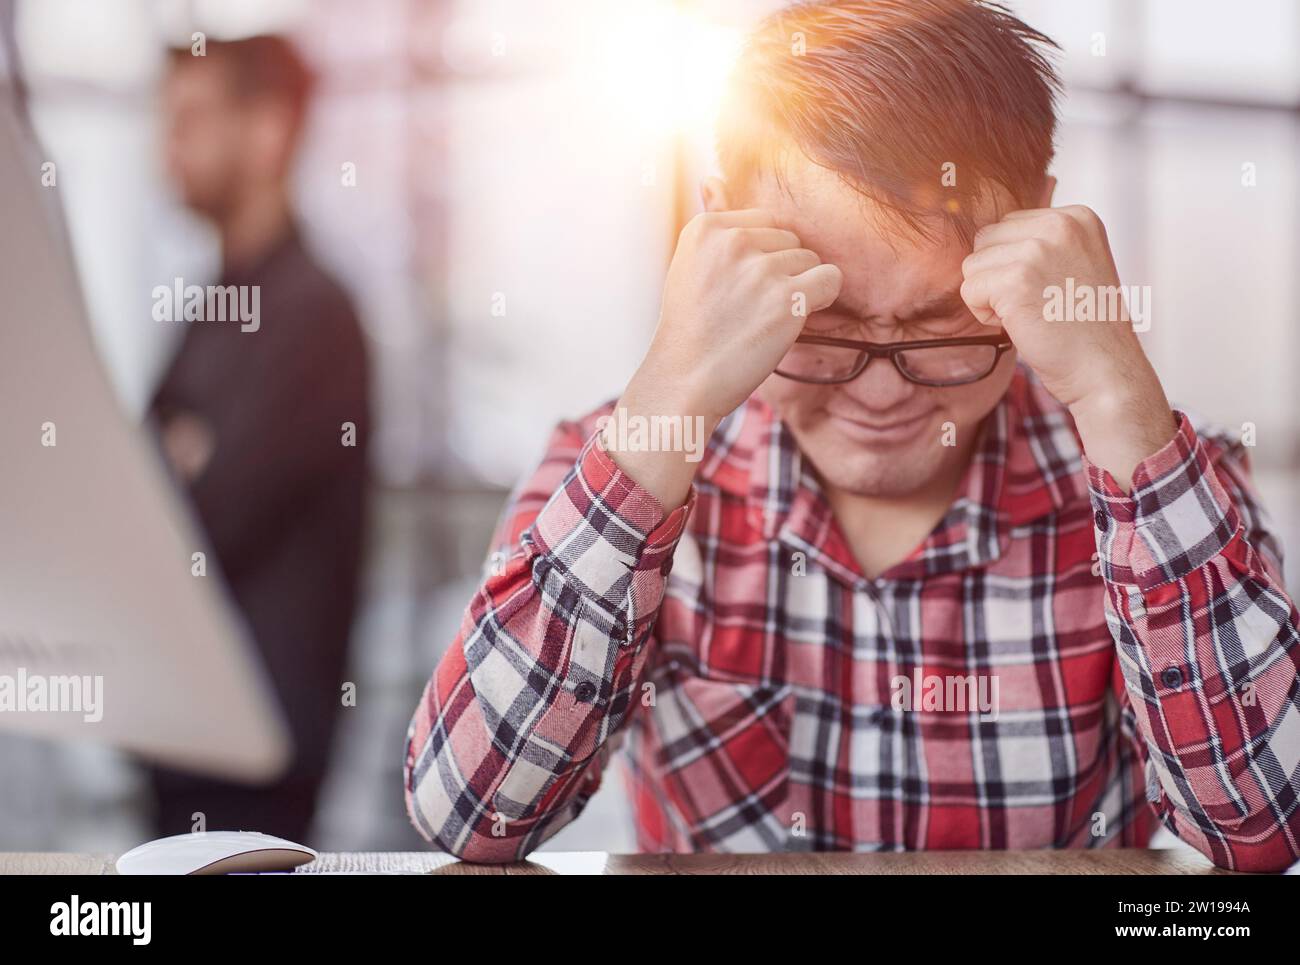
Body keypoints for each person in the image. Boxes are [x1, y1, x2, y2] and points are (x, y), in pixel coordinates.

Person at [404, 0, 1300, 871]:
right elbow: (467, 810)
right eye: (820, 322)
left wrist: (1118, 394)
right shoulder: (620, 459)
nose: (879, 391)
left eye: (942, 326)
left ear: (1041, 229)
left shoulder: (1166, 481)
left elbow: (1266, 824)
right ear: (719, 235)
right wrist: (667, 398)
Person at [148, 36, 370, 841]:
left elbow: (193, 519)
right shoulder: (209, 304)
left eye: (194, 117)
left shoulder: (317, 315)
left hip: (261, 767)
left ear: (269, 131)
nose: (167, 144)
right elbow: (143, 482)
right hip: (177, 739)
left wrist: (184, 460)